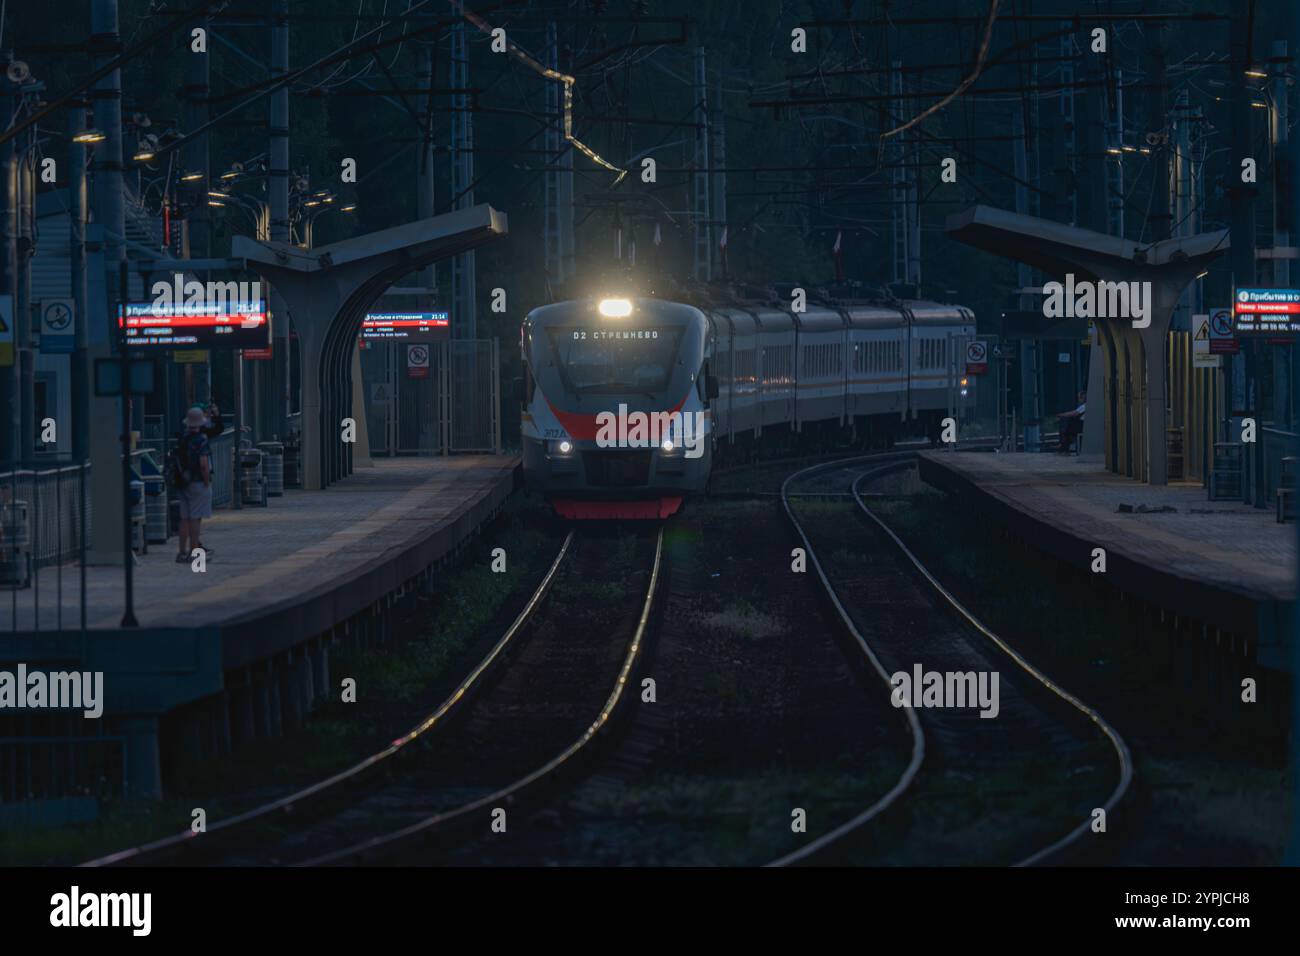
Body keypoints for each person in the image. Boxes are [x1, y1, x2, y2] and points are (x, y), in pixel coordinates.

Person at [174, 407, 213, 564]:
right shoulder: (201, 439)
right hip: (197, 481)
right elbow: (203, 464)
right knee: (195, 518)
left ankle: (181, 552)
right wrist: (206, 481)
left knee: (184, 518)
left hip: (182, 481)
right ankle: (194, 552)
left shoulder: (182, 438)